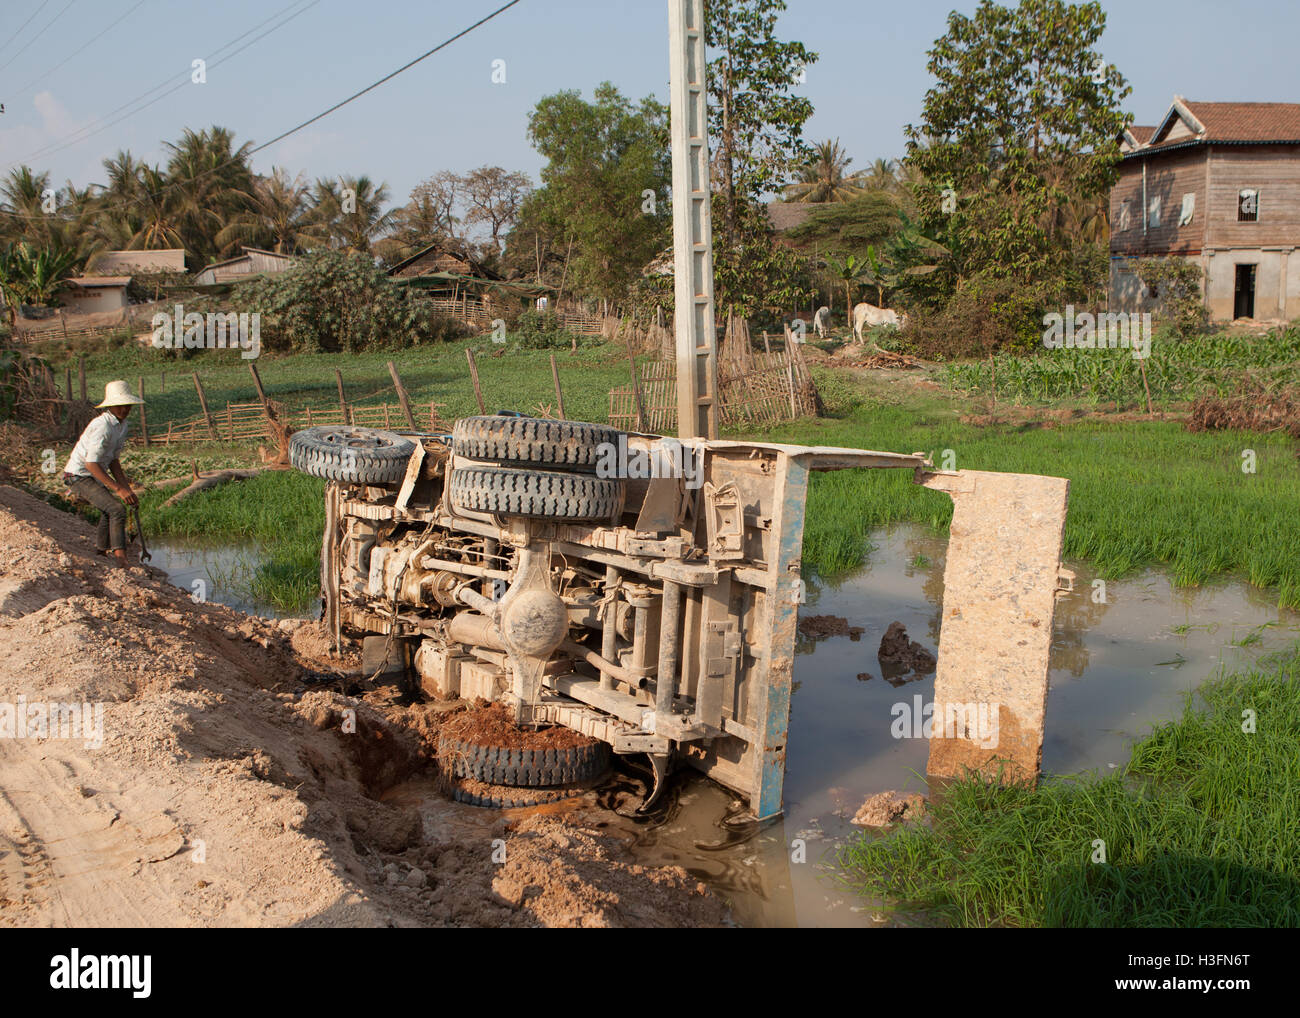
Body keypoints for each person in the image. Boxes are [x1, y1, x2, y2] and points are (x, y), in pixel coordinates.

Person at [64, 380, 143, 565]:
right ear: (111, 406)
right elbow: (91, 464)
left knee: (109, 511)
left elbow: (114, 461)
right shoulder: (103, 426)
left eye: (127, 406)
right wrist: (118, 489)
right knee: (116, 509)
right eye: (119, 406)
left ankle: (101, 552)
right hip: (78, 475)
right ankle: (121, 558)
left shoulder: (122, 426)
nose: (124, 410)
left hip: (93, 474)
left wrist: (127, 489)